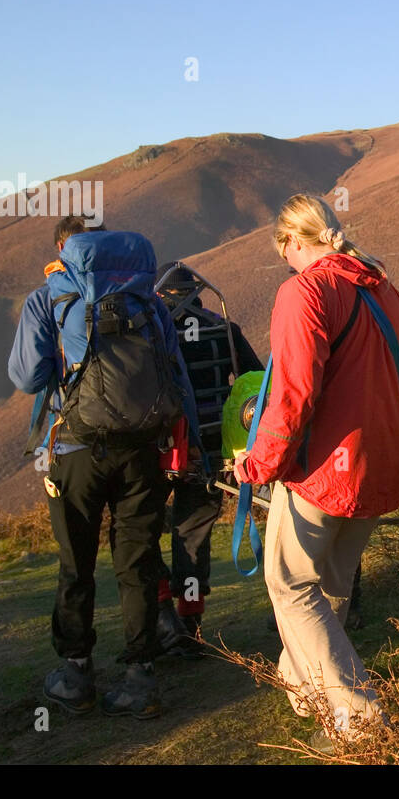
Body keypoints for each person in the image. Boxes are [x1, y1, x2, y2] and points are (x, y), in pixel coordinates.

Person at [233, 193, 399, 750]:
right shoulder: (383, 288)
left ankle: (359, 720)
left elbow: (292, 393)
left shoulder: (304, 291)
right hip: (381, 461)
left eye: (281, 248)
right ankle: (304, 690)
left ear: (290, 242)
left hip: (324, 471)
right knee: (328, 586)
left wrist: (260, 462)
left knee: (288, 584)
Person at [8, 216, 196, 719]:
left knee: (77, 562)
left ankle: (76, 672)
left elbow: (27, 378)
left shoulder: (48, 298)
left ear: (62, 250)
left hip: (76, 451)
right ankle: (141, 678)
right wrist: (189, 443)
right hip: (142, 451)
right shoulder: (147, 299)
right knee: (136, 564)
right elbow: (175, 374)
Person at [154, 263, 262, 652]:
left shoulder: (154, 335)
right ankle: (190, 623)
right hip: (215, 454)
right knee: (193, 537)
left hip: (163, 451)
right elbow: (257, 383)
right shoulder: (225, 330)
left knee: (140, 530)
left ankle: (163, 611)